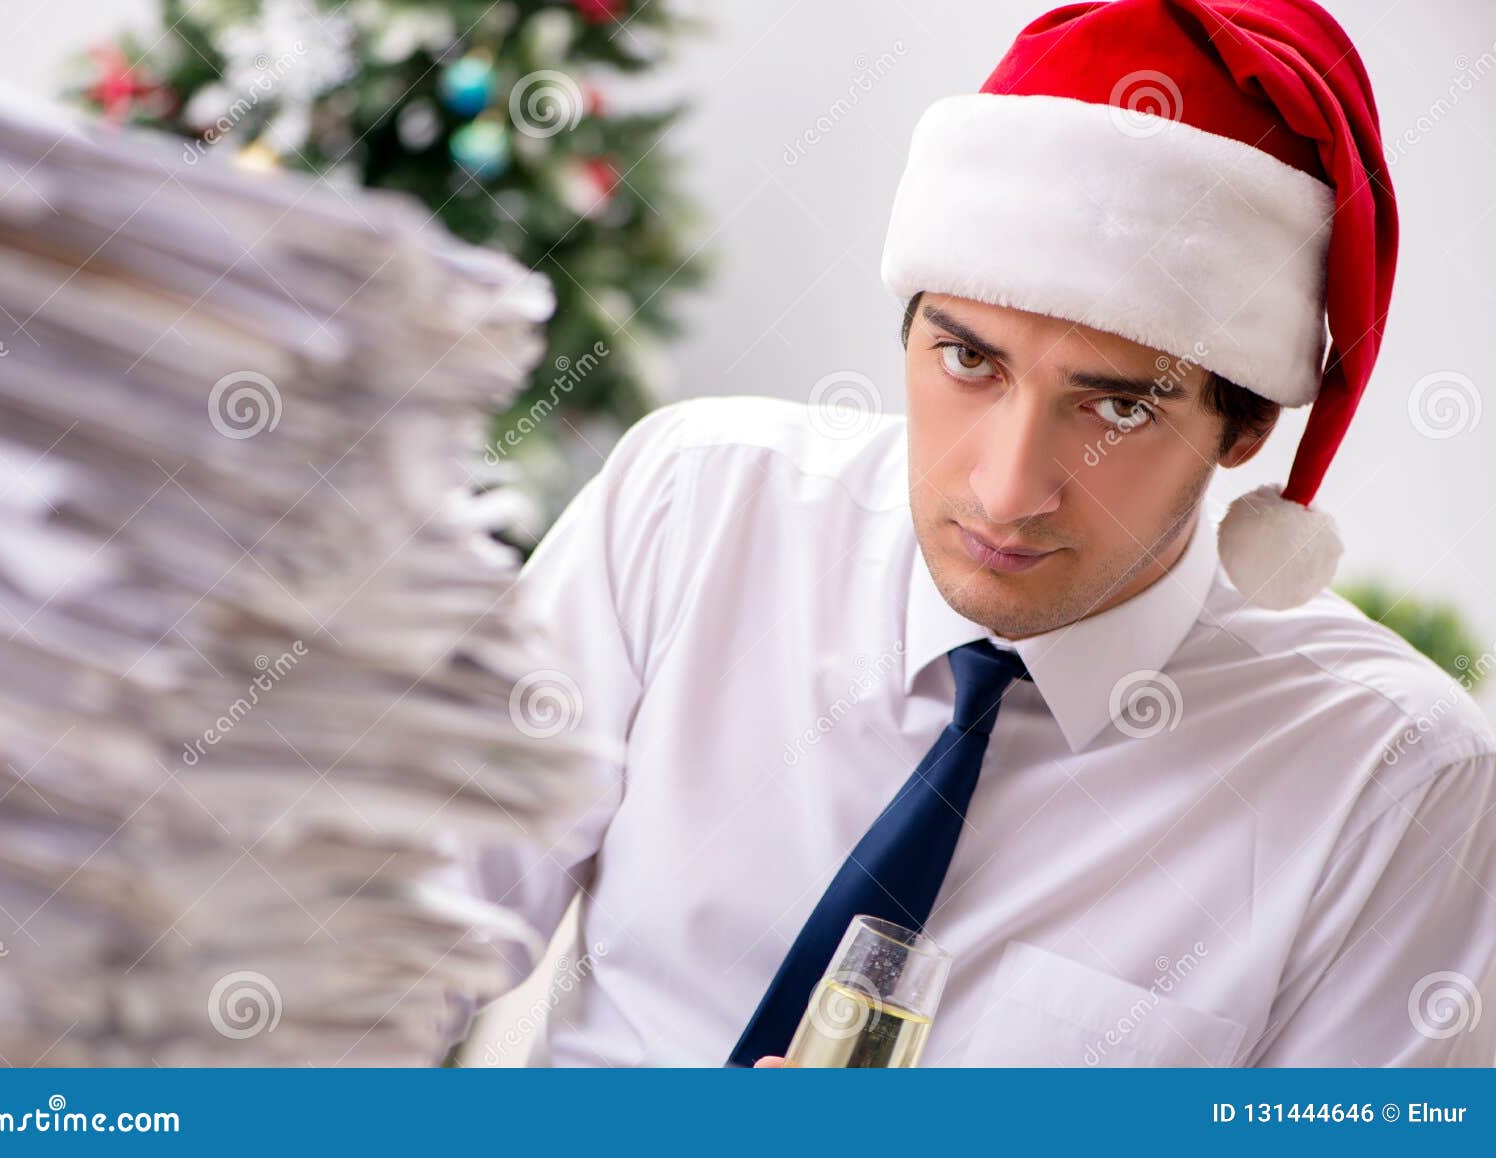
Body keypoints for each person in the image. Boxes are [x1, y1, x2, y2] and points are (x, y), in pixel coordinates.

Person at [451, 0, 1496, 1066]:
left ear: (1248, 427)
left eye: (1118, 407)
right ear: (908, 325)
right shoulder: (695, 506)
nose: (1005, 493)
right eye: (968, 361)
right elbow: (384, 940)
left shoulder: (1391, 781)